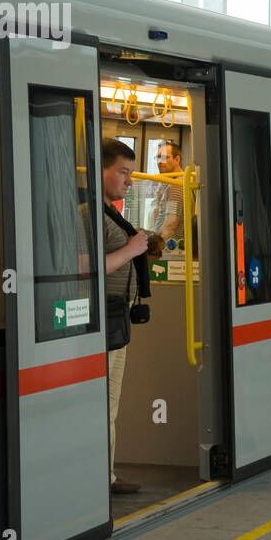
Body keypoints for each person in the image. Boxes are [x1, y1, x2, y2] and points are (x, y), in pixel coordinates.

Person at [101, 139, 162, 495]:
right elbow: (84, 268)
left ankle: (105, 472)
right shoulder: (88, 212)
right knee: (106, 400)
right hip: (104, 319)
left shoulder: (111, 212)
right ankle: (101, 476)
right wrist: (131, 249)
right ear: (102, 170)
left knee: (111, 401)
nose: (129, 180)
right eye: (122, 172)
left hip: (116, 318)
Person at [151, 141, 184, 247]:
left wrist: (154, 246)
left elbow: (170, 223)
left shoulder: (176, 185)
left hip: (170, 248)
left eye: (164, 157)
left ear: (177, 159)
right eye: (158, 157)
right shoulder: (167, 184)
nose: (160, 162)